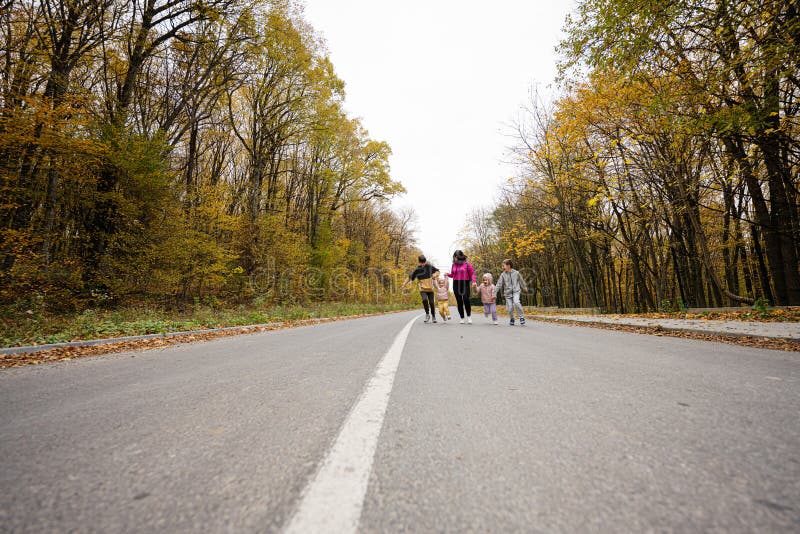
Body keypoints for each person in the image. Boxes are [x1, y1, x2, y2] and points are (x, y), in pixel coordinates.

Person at [403, 254, 438, 323]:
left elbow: (437, 271)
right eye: (421, 263)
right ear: (419, 262)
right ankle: (427, 314)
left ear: (425, 261)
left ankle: (433, 316)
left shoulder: (429, 267)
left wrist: (435, 274)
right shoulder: (417, 269)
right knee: (424, 300)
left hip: (430, 289)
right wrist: (405, 284)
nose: (423, 264)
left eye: (424, 263)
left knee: (431, 302)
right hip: (422, 289)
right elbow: (410, 277)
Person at [445, 250, 477, 324]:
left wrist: (474, 281)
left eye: (456, 257)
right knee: (459, 301)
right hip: (456, 283)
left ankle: (469, 316)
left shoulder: (467, 264)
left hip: (465, 282)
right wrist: (447, 274)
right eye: (454, 257)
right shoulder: (453, 265)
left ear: (460, 257)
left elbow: (472, 274)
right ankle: (462, 317)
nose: (455, 258)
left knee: (466, 299)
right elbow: (453, 275)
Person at [494, 259, 528, 326]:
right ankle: (512, 318)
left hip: (516, 291)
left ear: (508, 266)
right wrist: (494, 293)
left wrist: (524, 287)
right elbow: (499, 284)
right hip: (507, 293)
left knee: (516, 302)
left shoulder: (516, 273)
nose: (502, 267)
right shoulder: (503, 275)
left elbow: (521, 281)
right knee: (510, 308)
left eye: (503, 266)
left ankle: (521, 317)